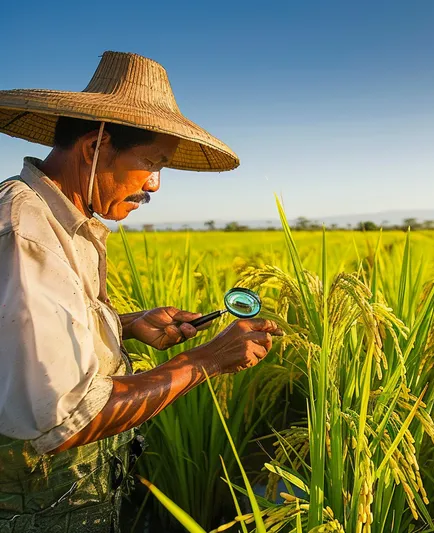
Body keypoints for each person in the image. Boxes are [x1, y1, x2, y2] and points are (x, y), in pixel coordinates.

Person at [0, 51, 282, 532]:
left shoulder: (65, 223)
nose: (155, 184)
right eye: (152, 162)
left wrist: (126, 326)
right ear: (95, 147)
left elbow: (18, 343)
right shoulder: (28, 229)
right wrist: (208, 360)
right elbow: (67, 417)